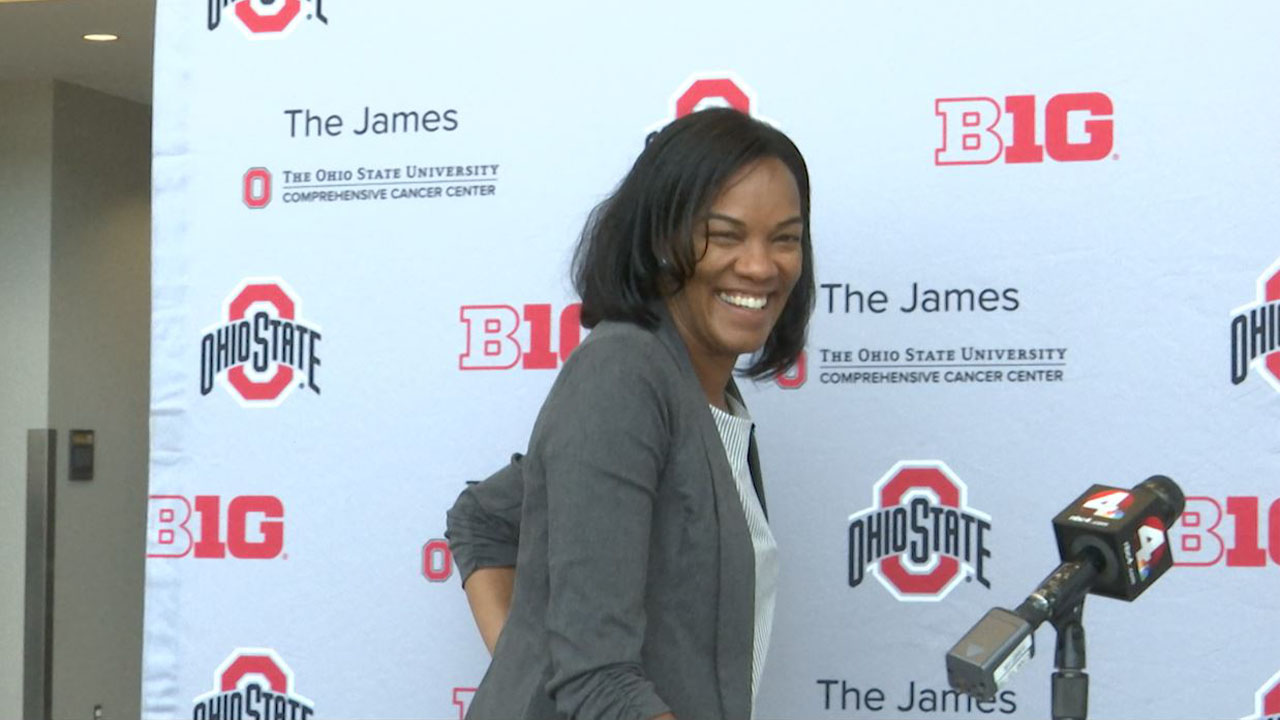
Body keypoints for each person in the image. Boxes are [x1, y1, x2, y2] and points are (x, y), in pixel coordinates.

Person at [445, 107, 815, 720]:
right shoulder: (624, 375)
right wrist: (533, 673)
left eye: (785, 239)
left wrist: (532, 662)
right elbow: (599, 679)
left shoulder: (709, 395)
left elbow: (486, 516)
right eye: (724, 235)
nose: (759, 265)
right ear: (660, 241)